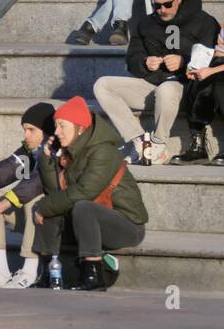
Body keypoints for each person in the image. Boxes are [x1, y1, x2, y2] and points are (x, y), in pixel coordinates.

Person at [93, 0, 221, 166]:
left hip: (185, 87)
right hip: (151, 83)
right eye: (157, 5)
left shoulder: (203, 21)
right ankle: (140, 142)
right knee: (102, 85)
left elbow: (213, 58)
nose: (162, 9)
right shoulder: (146, 23)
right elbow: (132, 58)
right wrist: (144, 62)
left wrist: (183, 61)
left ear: (178, 0)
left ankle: (159, 144)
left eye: (167, 4)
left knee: (166, 89)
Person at [33, 96, 148, 291]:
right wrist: (47, 160)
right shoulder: (69, 150)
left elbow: (85, 191)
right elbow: (55, 193)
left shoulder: (104, 151)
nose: (56, 132)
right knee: (49, 207)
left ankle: (93, 275)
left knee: (81, 206)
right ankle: (48, 274)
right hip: (87, 221)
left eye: (62, 126)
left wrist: (45, 207)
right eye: (56, 126)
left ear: (80, 127)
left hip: (126, 225)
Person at [0, 102, 54, 288]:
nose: (25, 135)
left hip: (56, 221)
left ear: (46, 131)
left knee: (35, 200)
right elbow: (2, 171)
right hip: (33, 221)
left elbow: (36, 184)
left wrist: (0, 208)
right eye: (24, 130)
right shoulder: (30, 152)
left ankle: (30, 271)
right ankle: (0, 272)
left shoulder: (57, 151)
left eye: (31, 130)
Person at [175, 26, 224, 164]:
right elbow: (219, 54)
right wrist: (197, 66)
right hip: (218, 65)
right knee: (198, 85)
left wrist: (212, 71)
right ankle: (198, 147)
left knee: (221, 87)